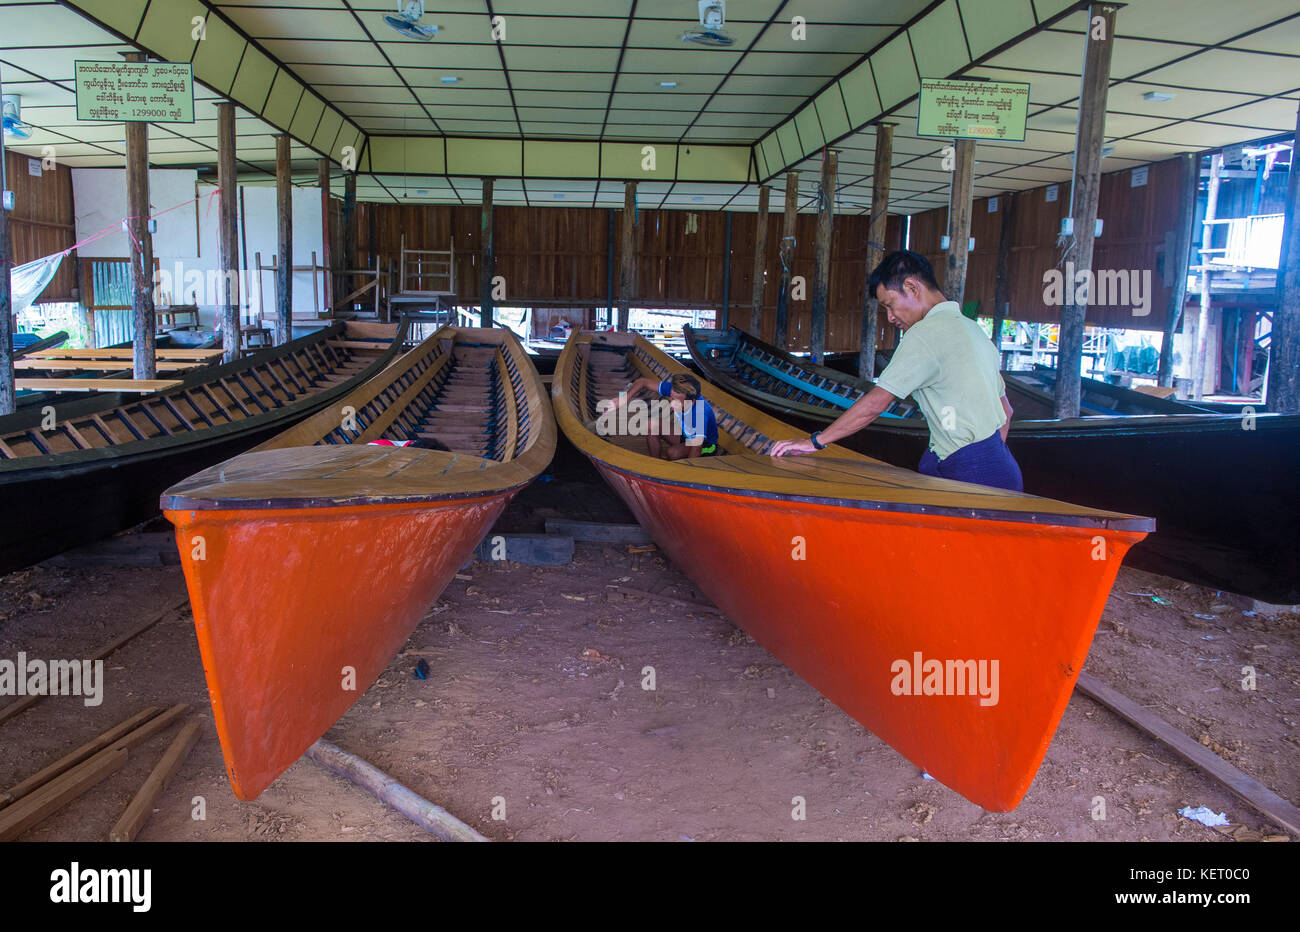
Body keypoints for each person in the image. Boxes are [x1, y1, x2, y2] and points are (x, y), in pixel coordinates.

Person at [769, 250, 1022, 492]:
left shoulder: (924, 334)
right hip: (1002, 466)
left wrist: (815, 441)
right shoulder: (973, 330)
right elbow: (1006, 411)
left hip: (969, 473)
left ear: (912, 287)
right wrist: (989, 458)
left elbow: (876, 403)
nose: (889, 317)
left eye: (889, 305)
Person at [620, 372, 719, 459]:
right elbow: (643, 382)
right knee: (651, 424)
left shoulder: (700, 413)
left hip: (705, 445)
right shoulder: (677, 391)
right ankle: (656, 464)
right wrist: (623, 399)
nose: (672, 403)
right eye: (671, 398)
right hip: (687, 434)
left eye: (677, 401)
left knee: (673, 453)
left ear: (691, 402)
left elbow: (697, 448)